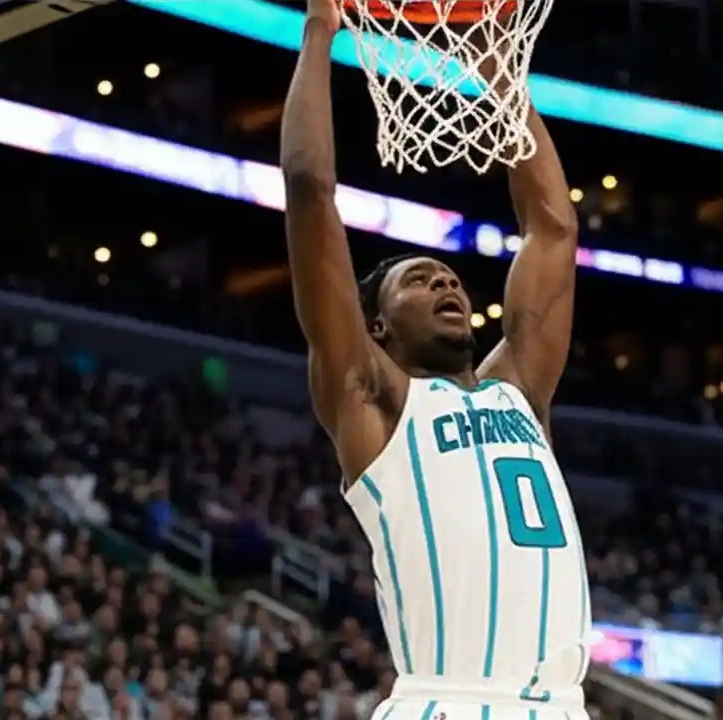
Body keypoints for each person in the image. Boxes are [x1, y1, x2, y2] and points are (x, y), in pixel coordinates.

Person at [280, 1, 589, 719]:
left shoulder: (519, 394)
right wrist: (320, 32)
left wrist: (497, 75)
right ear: (377, 326)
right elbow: (308, 190)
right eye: (418, 280)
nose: (446, 281)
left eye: (448, 276)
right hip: (448, 704)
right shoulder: (372, 400)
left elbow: (553, 229)